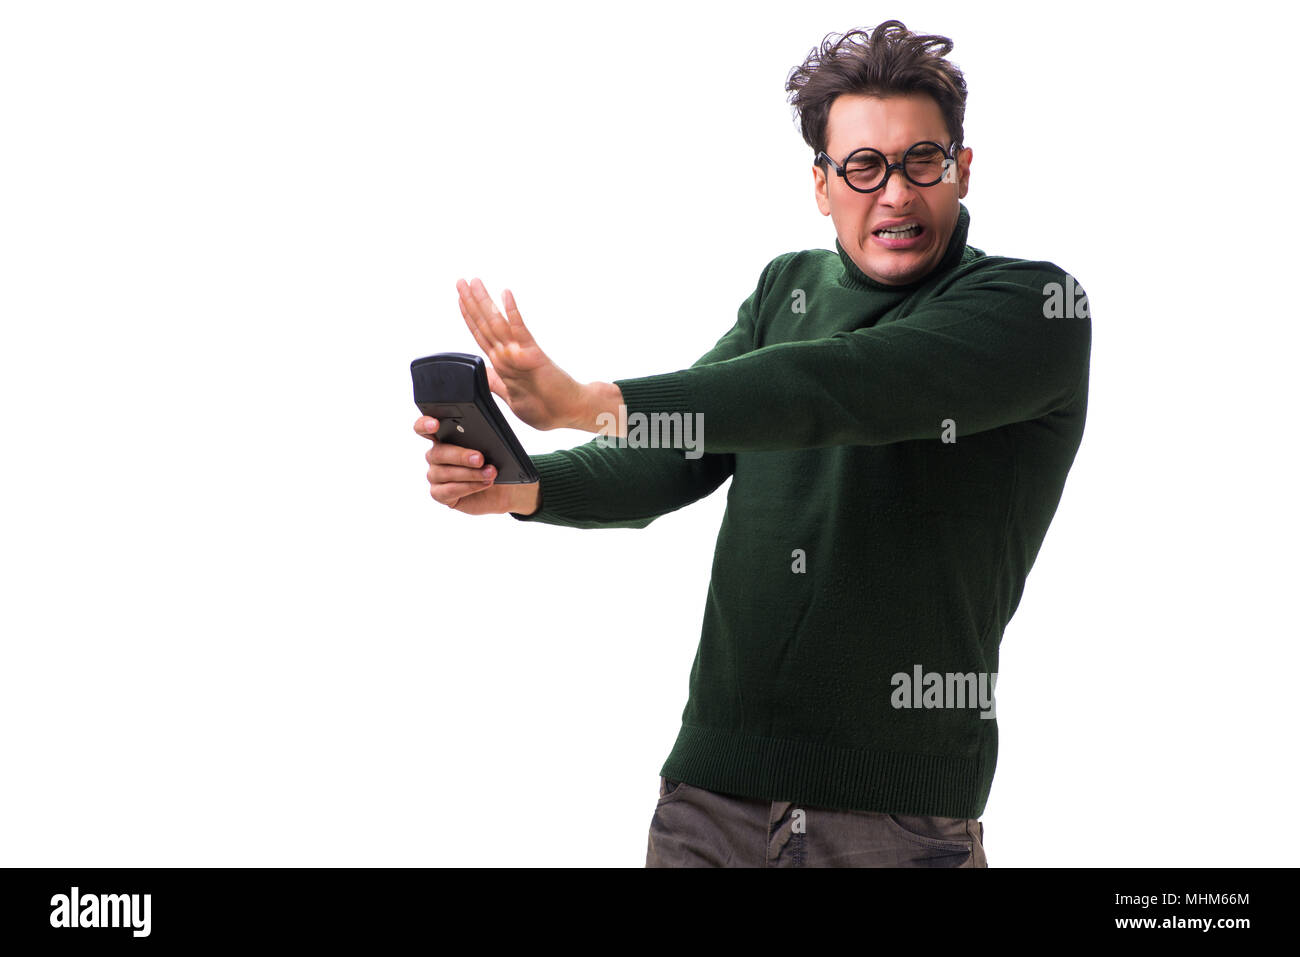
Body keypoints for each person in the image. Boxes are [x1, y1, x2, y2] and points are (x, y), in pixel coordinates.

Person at [415, 20, 1090, 867]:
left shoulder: (1030, 308)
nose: (894, 194)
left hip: (898, 819)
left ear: (962, 167)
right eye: (863, 167)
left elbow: (837, 387)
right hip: (709, 800)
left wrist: (592, 401)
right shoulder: (788, 289)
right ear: (821, 185)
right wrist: (524, 487)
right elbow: (682, 448)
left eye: (923, 160)